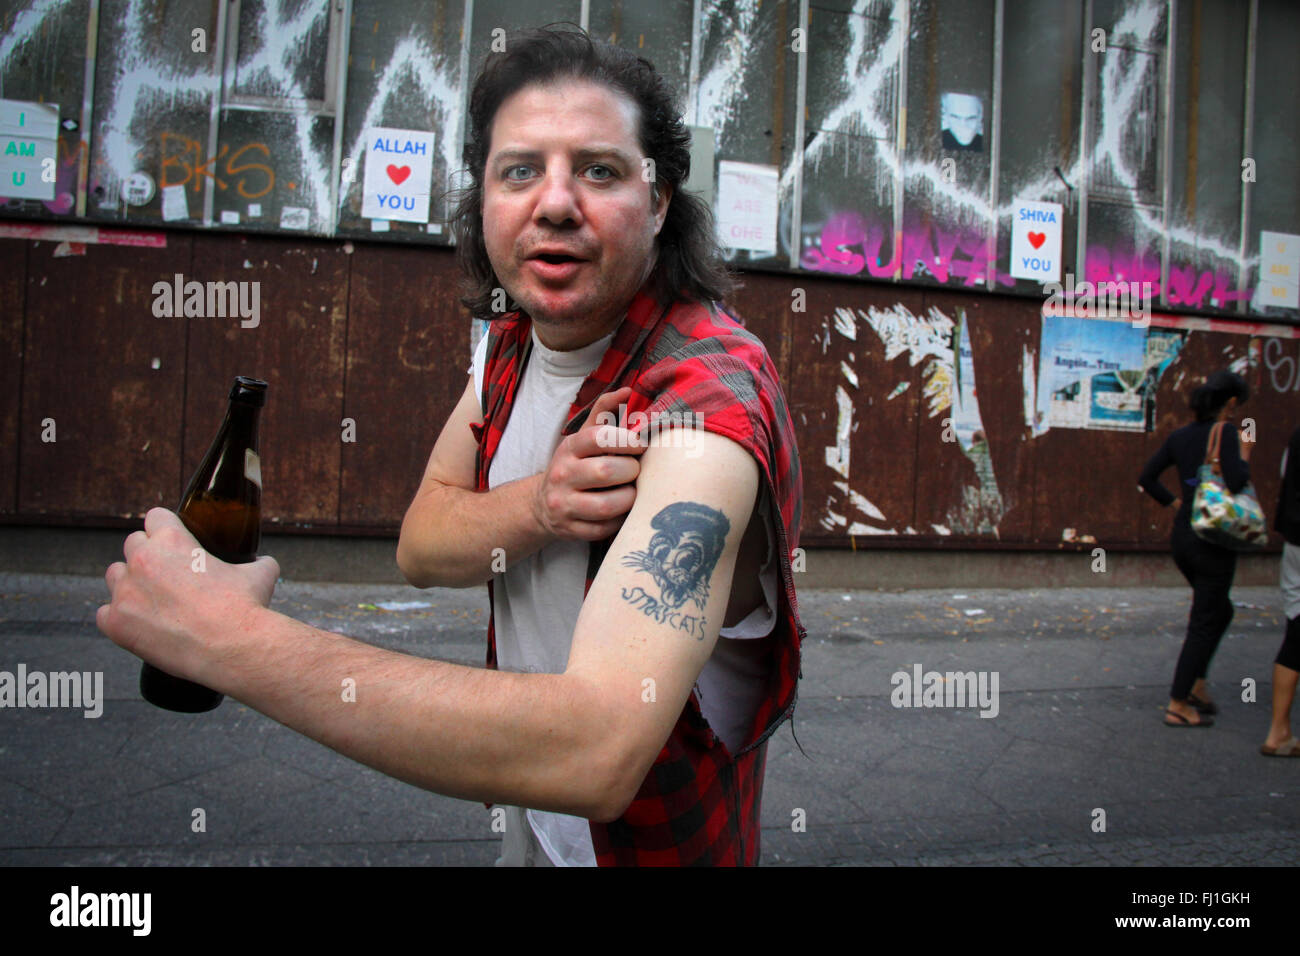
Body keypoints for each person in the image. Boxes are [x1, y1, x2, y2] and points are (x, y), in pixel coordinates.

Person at [96, 24, 805, 866]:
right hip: (534, 826)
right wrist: (541, 505)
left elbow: (598, 747)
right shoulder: (513, 338)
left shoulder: (706, 401)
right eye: (519, 170)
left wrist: (227, 641)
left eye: (600, 169)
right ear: (482, 198)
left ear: (658, 202)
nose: (553, 202)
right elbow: (423, 544)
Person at [1139, 369, 1252, 728]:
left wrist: (1175, 504)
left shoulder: (1181, 436)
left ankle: (1198, 686)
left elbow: (1146, 477)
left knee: (1220, 611)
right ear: (1230, 403)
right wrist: (1245, 454)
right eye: (1237, 405)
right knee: (1205, 620)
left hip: (1183, 540)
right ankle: (1178, 703)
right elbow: (1236, 480)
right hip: (1212, 541)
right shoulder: (1228, 433)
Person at [1263, 425, 1300, 756]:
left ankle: (1279, 730)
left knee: (1296, 629)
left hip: (1295, 542)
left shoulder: (1296, 435)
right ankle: (1279, 733)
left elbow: (1286, 473)